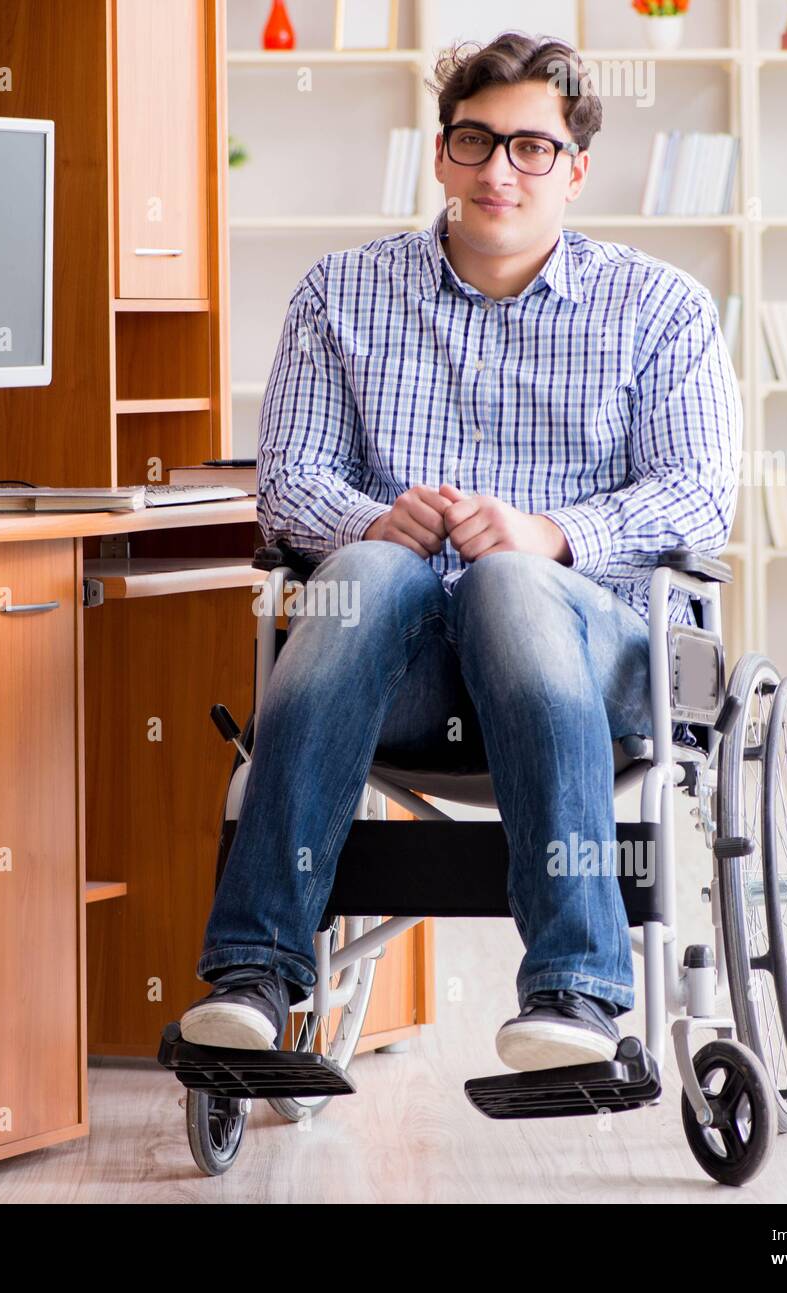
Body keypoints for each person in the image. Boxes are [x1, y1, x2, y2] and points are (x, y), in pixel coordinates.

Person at [180, 31, 741, 1071]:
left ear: (575, 169)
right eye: (474, 142)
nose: (497, 172)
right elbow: (289, 481)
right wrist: (366, 523)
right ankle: (254, 974)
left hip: (593, 657)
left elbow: (701, 497)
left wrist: (552, 535)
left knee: (511, 583)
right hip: (400, 672)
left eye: (531, 148)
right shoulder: (339, 295)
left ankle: (575, 989)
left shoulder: (660, 309)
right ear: (438, 154)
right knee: (367, 571)